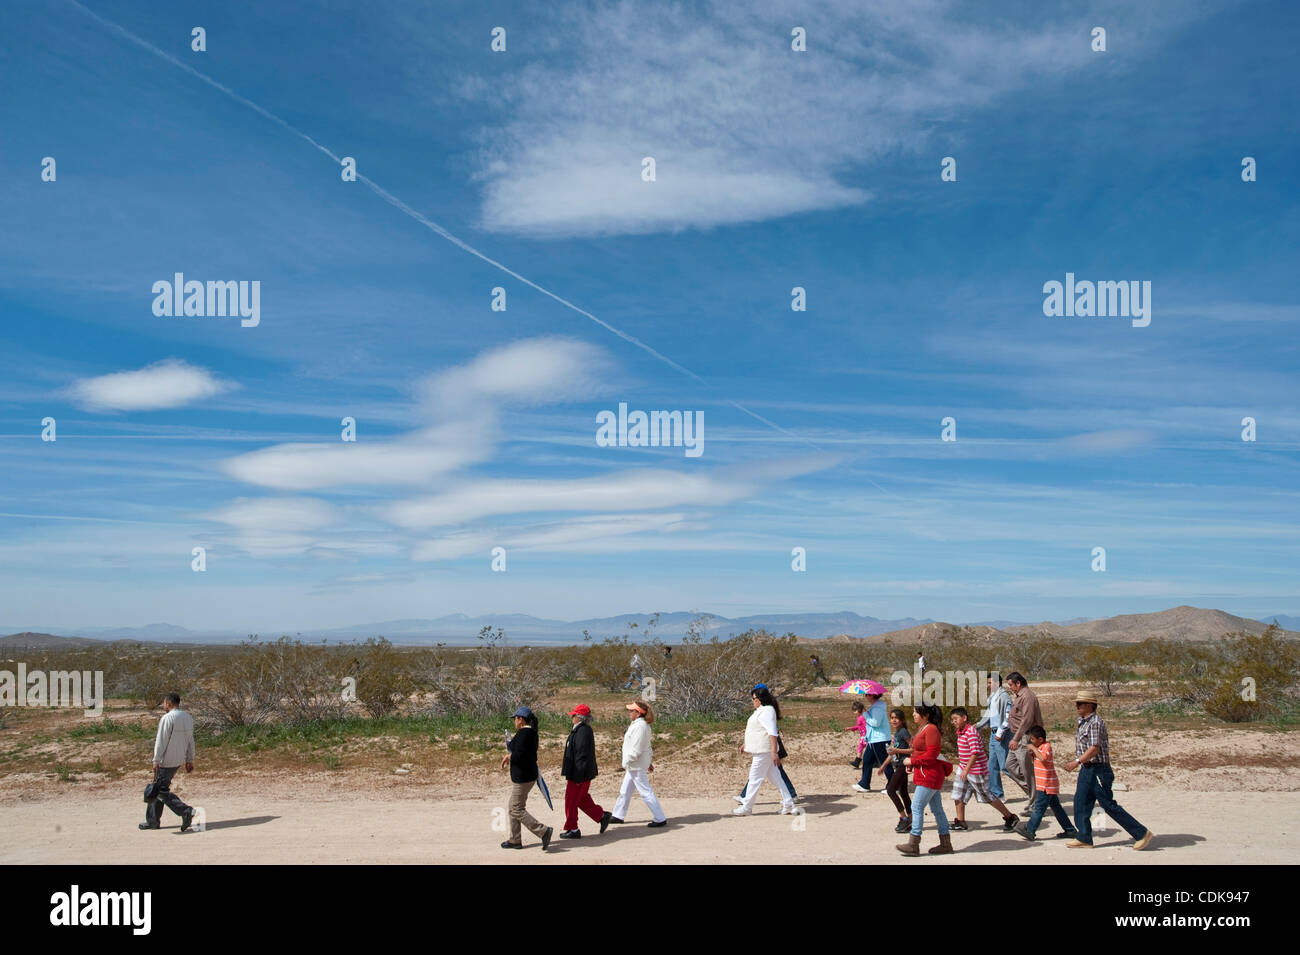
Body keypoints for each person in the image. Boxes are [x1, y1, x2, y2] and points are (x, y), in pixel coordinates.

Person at [1063, 692, 1153, 850]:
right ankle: (1084, 837)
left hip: (1099, 769)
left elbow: (1094, 748)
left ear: (1091, 705)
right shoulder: (1082, 722)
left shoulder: (1095, 722)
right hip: (1087, 768)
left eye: (1081, 704)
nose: (1077, 706)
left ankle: (1141, 833)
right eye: (1077, 703)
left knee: (1107, 804)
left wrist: (1076, 762)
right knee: (1081, 802)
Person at [949, 707, 1018, 832]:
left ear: (964, 718)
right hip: (963, 768)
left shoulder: (971, 732)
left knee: (987, 795)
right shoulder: (960, 732)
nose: (954, 722)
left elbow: (975, 753)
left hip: (976, 770)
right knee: (958, 793)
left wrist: (966, 770)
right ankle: (960, 821)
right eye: (952, 720)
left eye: (956, 719)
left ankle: (1010, 817)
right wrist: (963, 769)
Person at [896, 703, 952, 856]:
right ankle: (945, 844)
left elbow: (932, 754)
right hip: (926, 774)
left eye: (916, 712)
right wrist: (912, 764)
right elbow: (919, 751)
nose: (913, 714)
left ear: (925, 715)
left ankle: (913, 844)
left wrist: (912, 762)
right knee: (937, 810)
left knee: (916, 807)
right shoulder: (923, 728)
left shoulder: (931, 729)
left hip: (930, 775)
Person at [733, 686, 795, 815]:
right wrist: (746, 744)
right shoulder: (762, 710)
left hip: (764, 751)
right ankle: (788, 803)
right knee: (776, 778)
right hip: (761, 750)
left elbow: (772, 733)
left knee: (754, 778)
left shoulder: (766, 711)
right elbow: (756, 730)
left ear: (760, 699)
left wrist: (774, 752)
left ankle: (747, 807)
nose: (752, 701)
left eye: (754, 698)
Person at [500, 706, 554, 851]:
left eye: (515, 719)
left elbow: (520, 756)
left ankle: (543, 831)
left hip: (523, 777)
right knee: (513, 806)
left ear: (521, 720)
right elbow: (519, 750)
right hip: (528, 776)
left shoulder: (525, 734)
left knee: (516, 809)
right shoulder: (529, 733)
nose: (514, 722)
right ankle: (515, 839)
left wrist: (509, 756)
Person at [140, 692, 195, 832]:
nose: (163, 706)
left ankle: (185, 811)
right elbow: (190, 740)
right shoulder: (187, 717)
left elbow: (161, 741)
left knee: (160, 791)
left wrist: (156, 759)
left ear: (169, 703)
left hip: (166, 760)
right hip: (178, 759)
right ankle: (152, 821)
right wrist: (190, 759)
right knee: (159, 788)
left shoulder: (167, 718)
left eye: (164, 703)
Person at [1013, 725, 1078, 841]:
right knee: (1057, 808)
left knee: (1039, 808)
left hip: (1047, 785)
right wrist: (1032, 753)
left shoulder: (1046, 746)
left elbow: (1043, 758)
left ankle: (1030, 829)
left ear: (1040, 739)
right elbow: (1037, 760)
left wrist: (1033, 749)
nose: (1031, 741)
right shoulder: (1039, 748)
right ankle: (1070, 830)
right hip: (1044, 784)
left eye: (1033, 739)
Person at [609, 700, 667, 827]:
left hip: (635, 764)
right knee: (625, 790)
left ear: (638, 713)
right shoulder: (637, 725)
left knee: (645, 791)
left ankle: (660, 818)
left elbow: (637, 748)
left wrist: (627, 761)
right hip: (634, 764)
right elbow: (645, 747)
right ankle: (618, 815)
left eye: (632, 710)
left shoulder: (640, 727)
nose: (629, 712)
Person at [559, 704, 611, 839]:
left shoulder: (582, 731)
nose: (572, 717)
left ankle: (573, 829)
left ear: (580, 718)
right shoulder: (581, 730)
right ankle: (601, 816)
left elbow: (581, 755)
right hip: (580, 772)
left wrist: (578, 777)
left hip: (579, 773)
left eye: (574, 715)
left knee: (571, 800)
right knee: (581, 799)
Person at [1004, 671, 1043, 812]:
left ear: (1018, 683)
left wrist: (1016, 738)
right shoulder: (1019, 696)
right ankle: (1037, 794)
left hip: (1024, 737)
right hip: (1018, 737)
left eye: (1010, 685)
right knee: (1010, 765)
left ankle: (1036, 803)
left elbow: (1026, 720)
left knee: (1027, 770)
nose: (1009, 687)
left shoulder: (1028, 697)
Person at [975, 672, 1012, 800]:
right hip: (993, 734)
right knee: (992, 765)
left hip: (1000, 735)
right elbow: (989, 715)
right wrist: (978, 725)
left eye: (990, 683)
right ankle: (997, 794)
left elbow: (1008, 716)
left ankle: (1031, 788)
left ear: (998, 683)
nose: (988, 685)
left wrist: (1000, 733)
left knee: (1006, 767)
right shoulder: (993, 697)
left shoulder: (1003, 697)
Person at [881, 707, 913, 832]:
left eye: (896, 718)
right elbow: (892, 752)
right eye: (892, 718)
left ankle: (904, 818)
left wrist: (897, 751)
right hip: (898, 764)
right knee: (904, 792)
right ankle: (910, 819)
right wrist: (883, 766)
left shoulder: (904, 732)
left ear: (902, 720)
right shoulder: (897, 733)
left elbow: (913, 749)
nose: (893, 720)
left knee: (890, 790)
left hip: (903, 765)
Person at [852, 692, 891, 792]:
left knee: (884, 762)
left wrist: (865, 713)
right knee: (867, 759)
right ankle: (864, 784)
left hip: (880, 739)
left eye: (867, 695)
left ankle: (893, 786)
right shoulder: (875, 707)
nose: (866, 697)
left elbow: (875, 723)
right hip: (873, 739)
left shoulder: (878, 708)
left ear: (873, 695)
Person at [846, 700, 867, 769]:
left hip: (866, 736)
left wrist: (867, 733)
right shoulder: (860, 718)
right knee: (860, 748)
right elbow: (858, 727)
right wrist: (851, 728)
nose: (854, 712)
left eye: (855, 711)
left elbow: (865, 725)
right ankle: (857, 762)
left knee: (866, 748)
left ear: (859, 710)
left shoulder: (862, 718)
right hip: (863, 736)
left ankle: (875, 761)